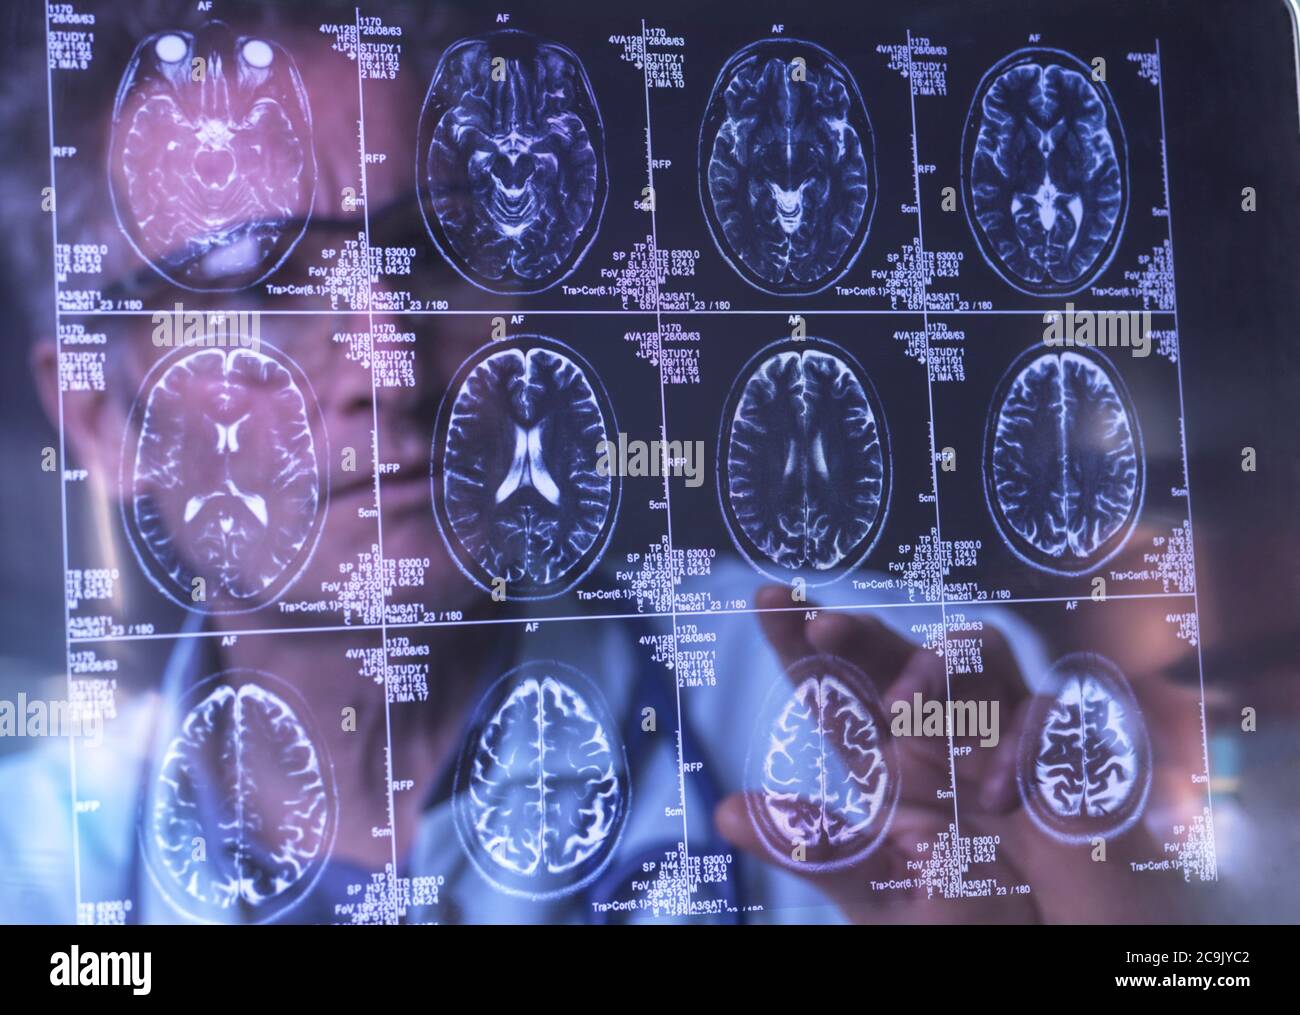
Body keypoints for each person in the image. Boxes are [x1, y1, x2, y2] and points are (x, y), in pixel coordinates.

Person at [0, 1, 1255, 925]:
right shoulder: (29, 867)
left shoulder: (875, 719)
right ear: (101, 421)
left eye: (431, 247)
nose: (388, 364)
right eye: (255, 287)